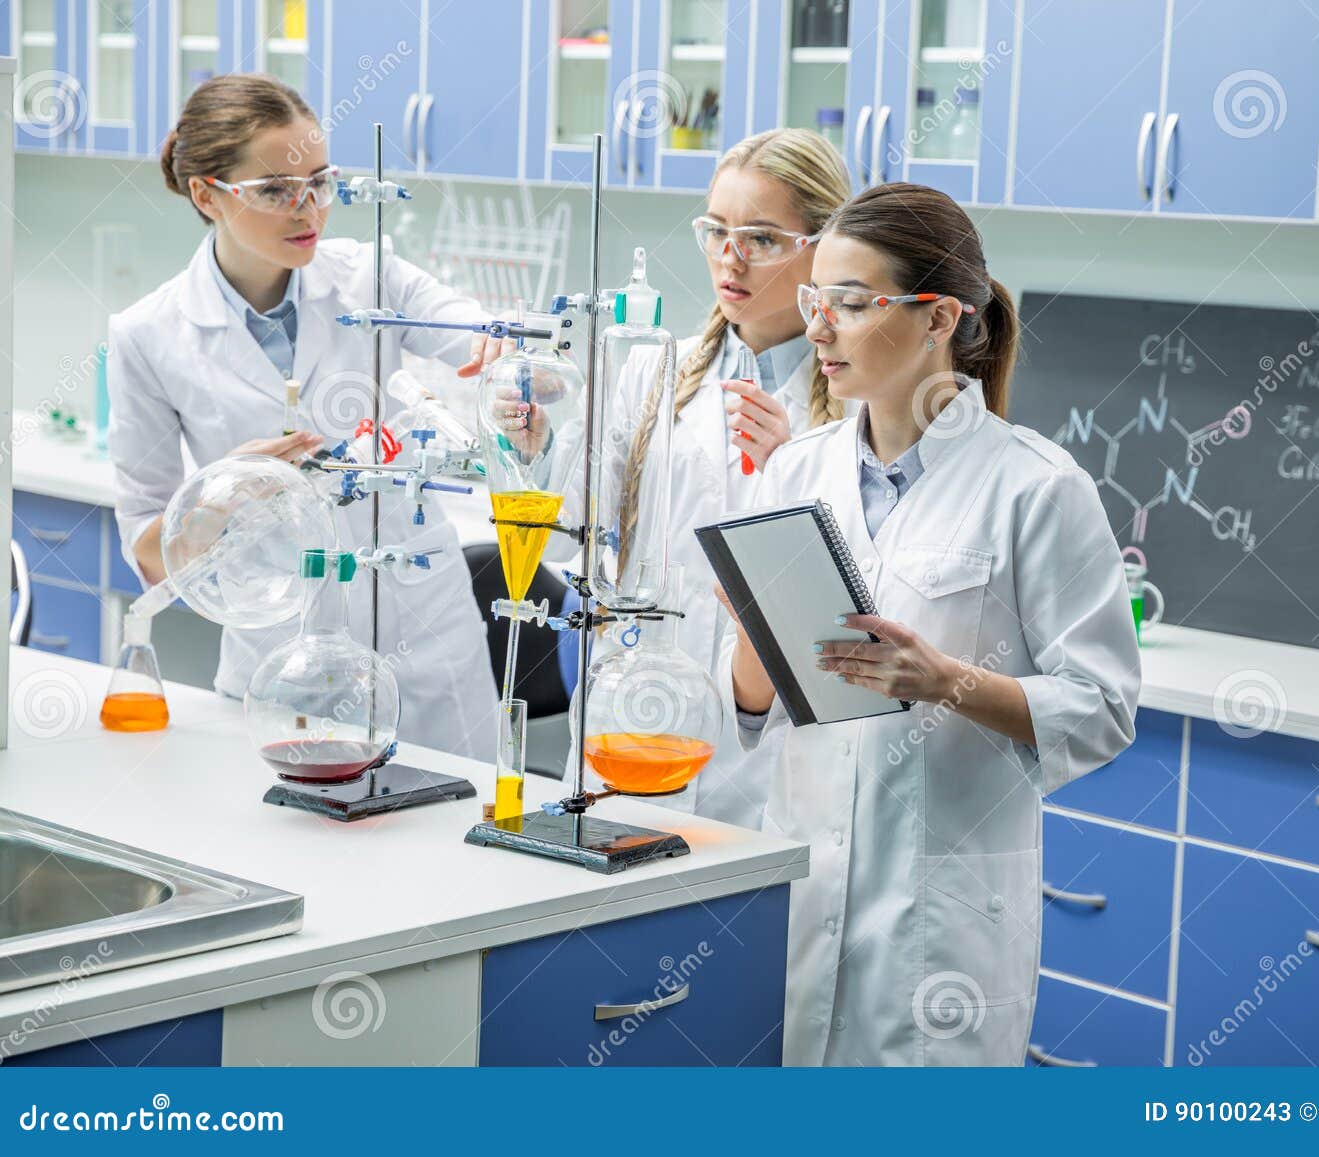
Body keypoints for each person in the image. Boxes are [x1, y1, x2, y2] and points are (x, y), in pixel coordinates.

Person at [719, 183, 1141, 1064]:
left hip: (940, 929)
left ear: (939, 317)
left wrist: (946, 682)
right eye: (814, 298)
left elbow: (1103, 708)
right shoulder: (794, 474)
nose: (821, 326)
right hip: (804, 894)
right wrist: (757, 645)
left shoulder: (1036, 487)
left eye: (850, 301)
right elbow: (753, 709)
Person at [108, 74, 505, 760]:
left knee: (449, 849)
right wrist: (228, 489)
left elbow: (476, 335)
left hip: (426, 645)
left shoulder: (371, 275)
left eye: (321, 182)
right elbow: (149, 550)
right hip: (281, 662)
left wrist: (512, 361)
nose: (309, 209)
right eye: (275, 190)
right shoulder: (148, 333)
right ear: (207, 194)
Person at [532, 128, 853, 828]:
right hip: (631, 723)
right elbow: (570, 533)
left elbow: (864, 602)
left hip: (771, 760)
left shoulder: (859, 404)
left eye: (761, 239)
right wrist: (533, 440)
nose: (728, 260)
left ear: (822, 250)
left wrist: (795, 468)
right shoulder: (654, 369)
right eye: (716, 231)